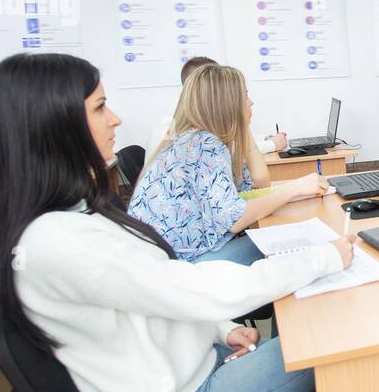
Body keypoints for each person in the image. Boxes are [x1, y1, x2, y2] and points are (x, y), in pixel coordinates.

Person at [0, 51, 354, 392]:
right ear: (54, 126)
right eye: (100, 107)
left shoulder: (71, 216)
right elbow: (194, 288)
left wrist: (220, 329)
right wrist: (321, 258)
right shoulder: (57, 241)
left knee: (336, 364)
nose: (116, 119)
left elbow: (155, 286)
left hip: (194, 376)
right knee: (338, 342)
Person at [130, 63, 329, 265]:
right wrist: (294, 189)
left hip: (166, 258)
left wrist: (291, 189)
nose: (251, 102)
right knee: (292, 243)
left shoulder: (192, 138)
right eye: (244, 96)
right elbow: (234, 219)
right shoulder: (203, 144)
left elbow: (252, 188)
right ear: (226, 104)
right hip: (183, 265)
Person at [147, 56, 288, 155]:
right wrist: (272, 144)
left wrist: (266, 139)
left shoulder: (199, 114)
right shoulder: (175, 126)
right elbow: (229, 151)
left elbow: (232, 141)